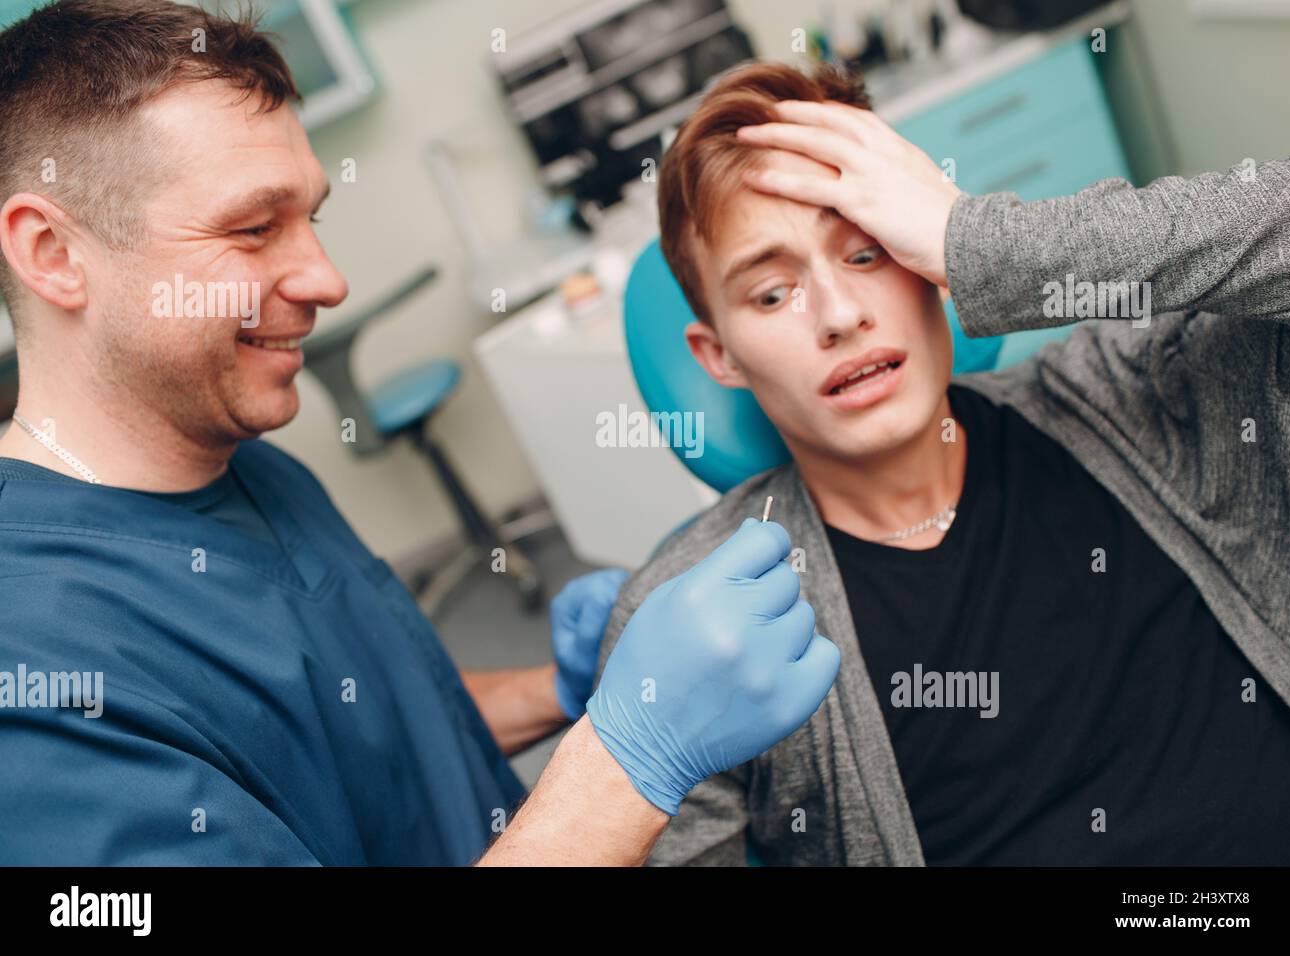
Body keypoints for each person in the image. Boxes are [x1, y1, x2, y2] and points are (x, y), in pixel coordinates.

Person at [0, 0, 841, 866]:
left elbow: (352, 747)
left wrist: (565, 694)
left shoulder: (246, 465)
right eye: (253, 229)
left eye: (311, 221)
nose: (326, 280)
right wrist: (628, 759)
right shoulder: (37, 684)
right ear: (54, 253)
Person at [596, 60, 1290, 865]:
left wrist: (979, 239)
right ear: (717, 355)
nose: (840, 315)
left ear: (924, 259)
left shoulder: (1145, 397)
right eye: (770, 294)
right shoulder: (701, 624)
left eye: (865, 254)